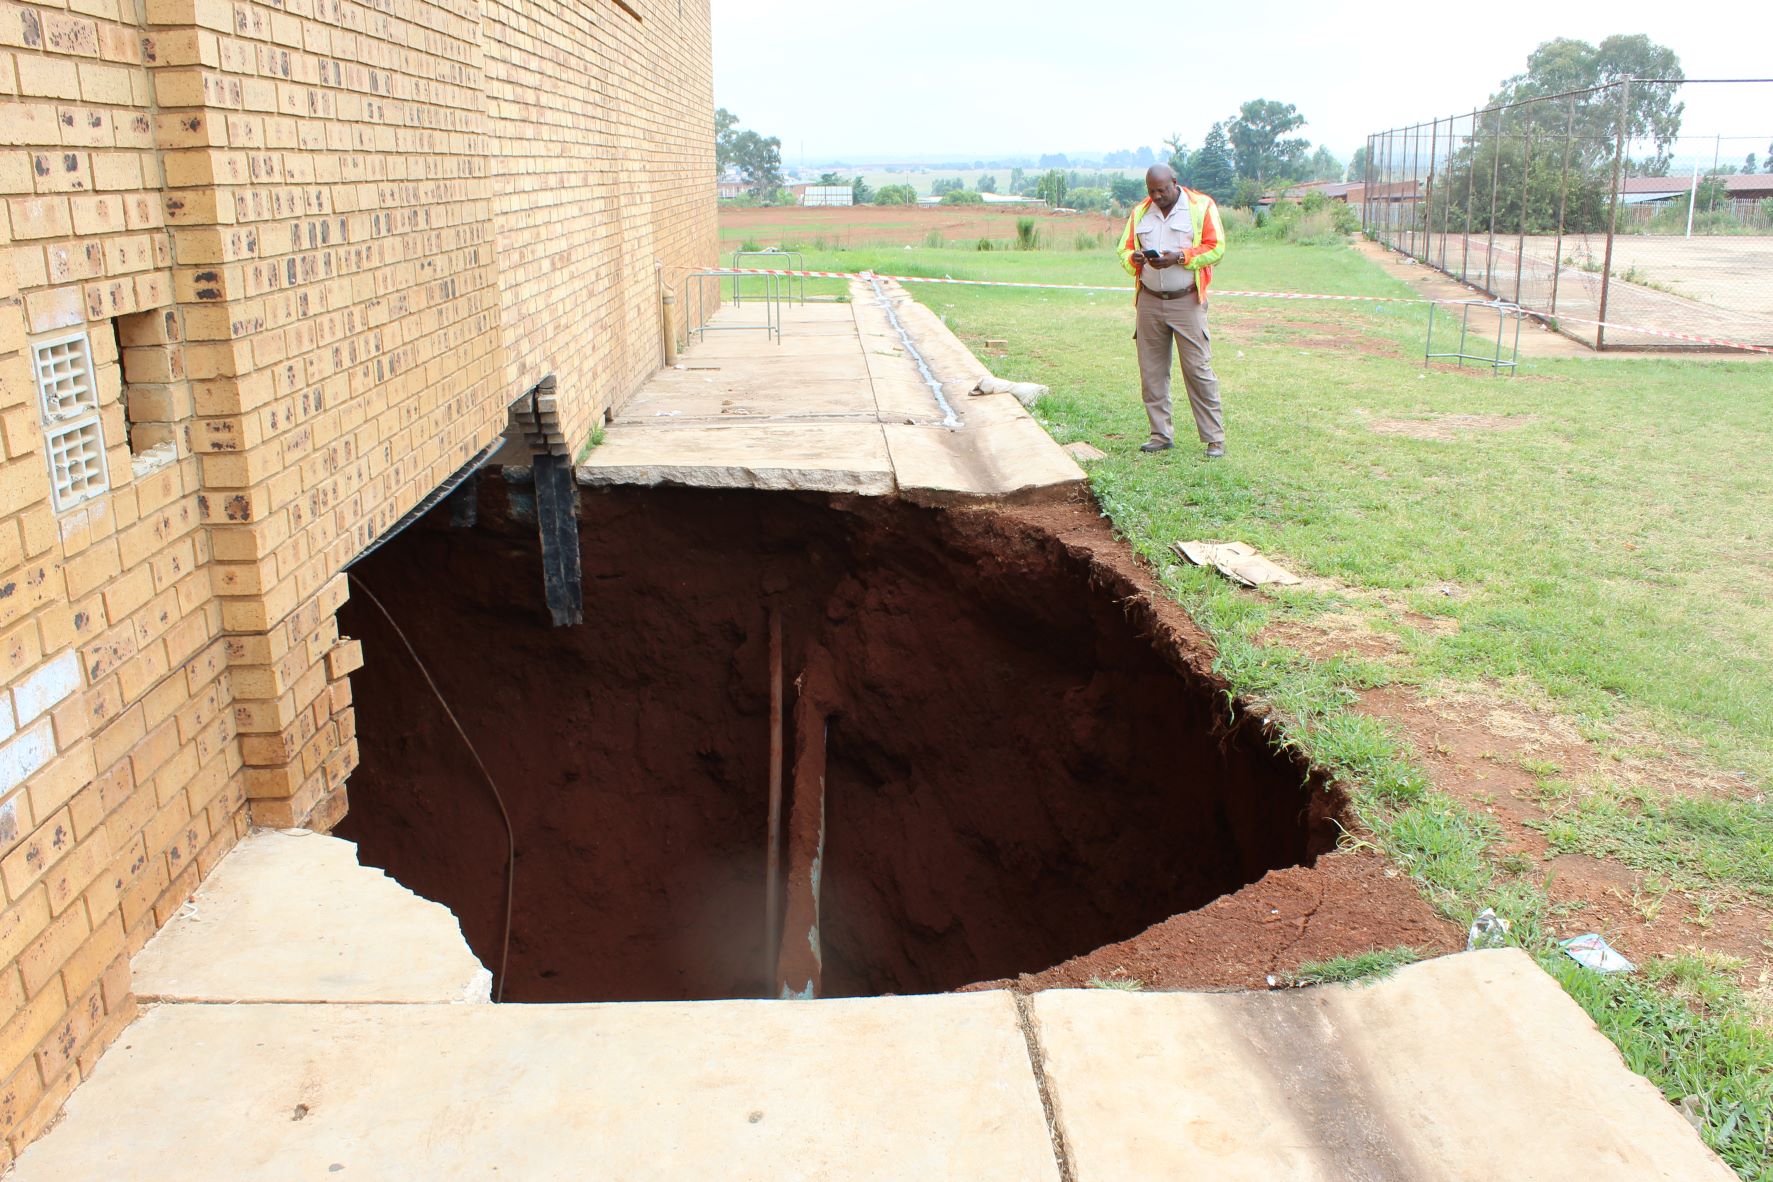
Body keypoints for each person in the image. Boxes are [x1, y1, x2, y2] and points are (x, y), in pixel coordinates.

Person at [1117, 165, 1227, 456]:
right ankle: (1160, 434)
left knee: (1198, 369)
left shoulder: (1201, 206)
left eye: (1161, 190)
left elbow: (1216, 248)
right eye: (1151, 191)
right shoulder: (1140, 212)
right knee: (1152, 372)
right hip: (1150, 301)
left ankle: (1214, 438)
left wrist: (1180, 257)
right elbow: (1123, 252)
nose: (1156, 196)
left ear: (1174, 183)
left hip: (1187, 300)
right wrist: (1136, 258)